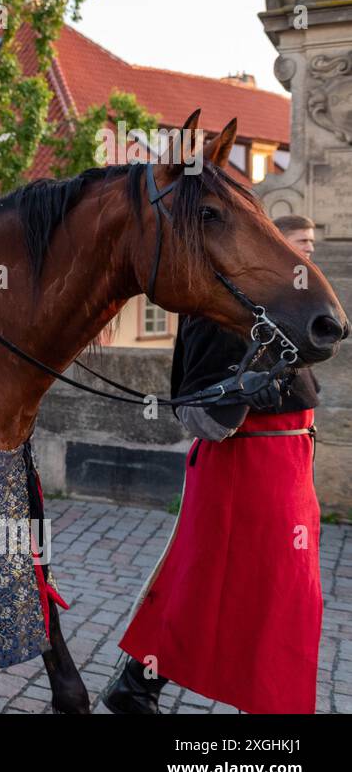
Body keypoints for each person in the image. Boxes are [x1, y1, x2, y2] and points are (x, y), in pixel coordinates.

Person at [103, 213, 326, 714]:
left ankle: (139, 688)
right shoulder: (225, 308)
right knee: (232, 587)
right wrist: (246, 390)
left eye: (311, 247)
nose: (307, 257)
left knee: (256, 590)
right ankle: (142, 687)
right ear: (270, 248)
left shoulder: (284, 307)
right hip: (246, 469)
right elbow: (200, 405)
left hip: (286, 465)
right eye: (300, 247)